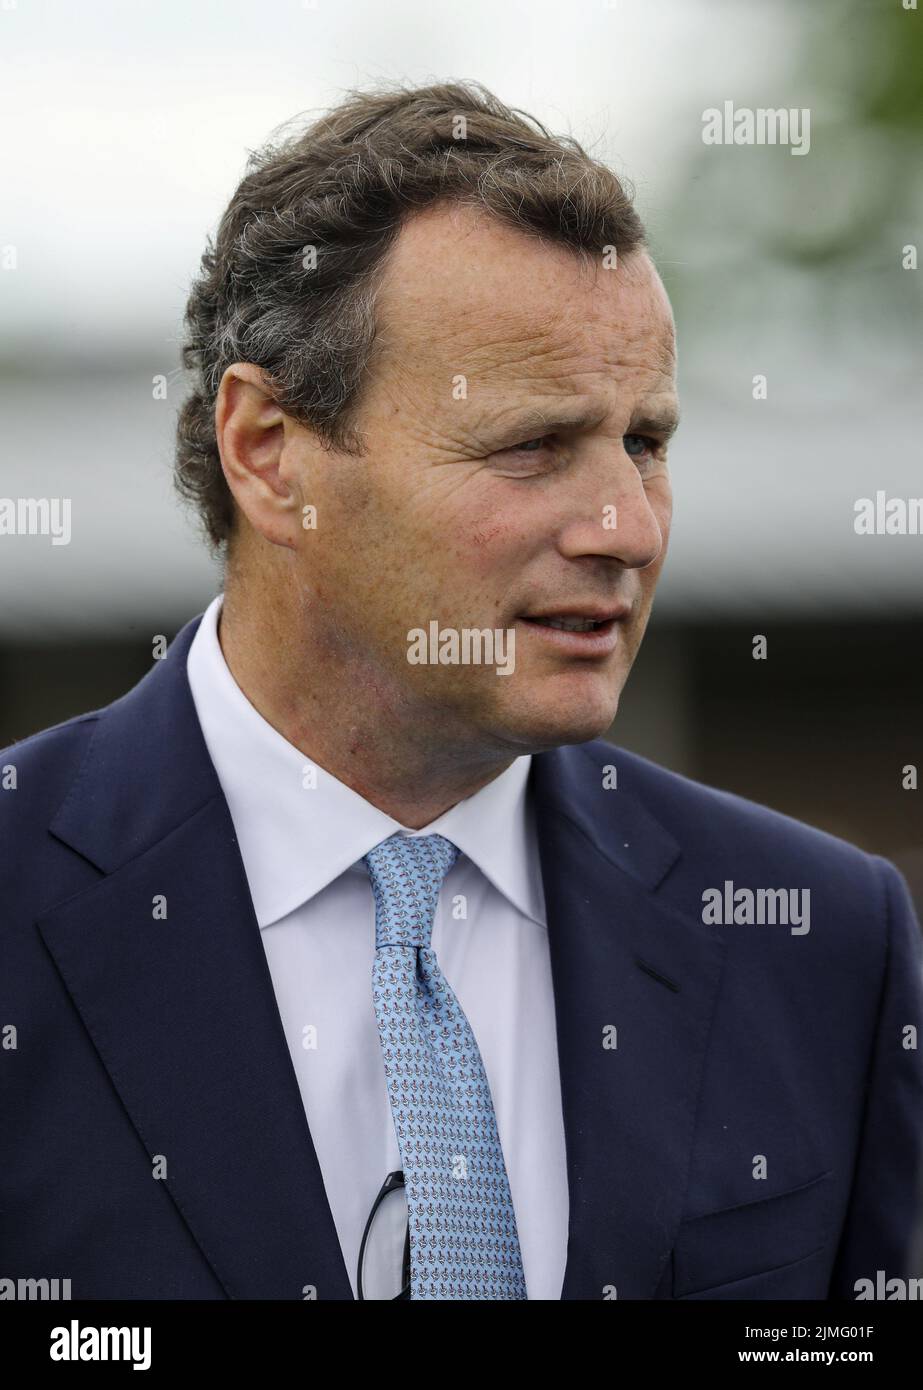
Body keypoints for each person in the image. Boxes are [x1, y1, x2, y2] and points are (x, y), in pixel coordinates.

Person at [2, 80, 921, 1302]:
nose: (627, 529)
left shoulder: (818, 940)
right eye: (529, 445)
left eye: (644, 442)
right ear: (270, 453)